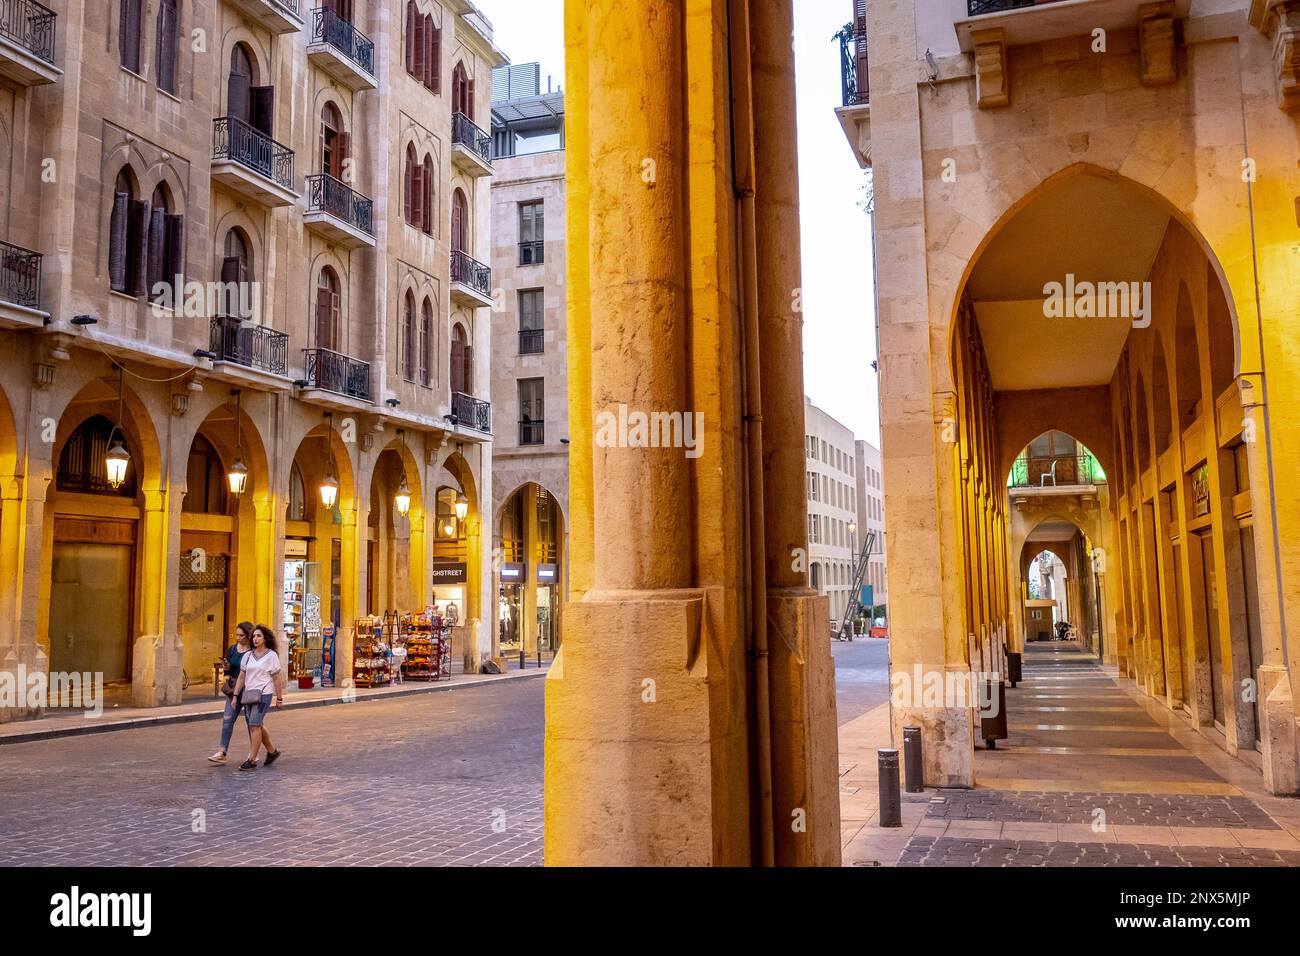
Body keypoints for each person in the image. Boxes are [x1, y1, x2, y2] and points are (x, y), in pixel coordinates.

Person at [229, 624, 286, 771]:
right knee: (257, 725)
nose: (255, 638)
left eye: (259, 636)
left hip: (264, 694)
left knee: (254, 725)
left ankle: (252, 759)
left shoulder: (271, 655)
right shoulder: (248, 655)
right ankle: (272, 751)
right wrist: (235, 695)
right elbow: (242, 677)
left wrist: (279, 698)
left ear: (265, 638)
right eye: (254, 636)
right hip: (249, 694)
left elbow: (276, 679)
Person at [208, 622, 254, 764]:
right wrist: (226, 666)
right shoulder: (232, 649)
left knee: (251, 722)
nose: (238, 638)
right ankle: (222, 751)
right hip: (234, 688)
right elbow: (229, 671)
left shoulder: (254, 651)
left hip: (248, 688)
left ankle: (254, 753)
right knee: (227, 719)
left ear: (248, 636)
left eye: (242, 635)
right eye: (237, 635)